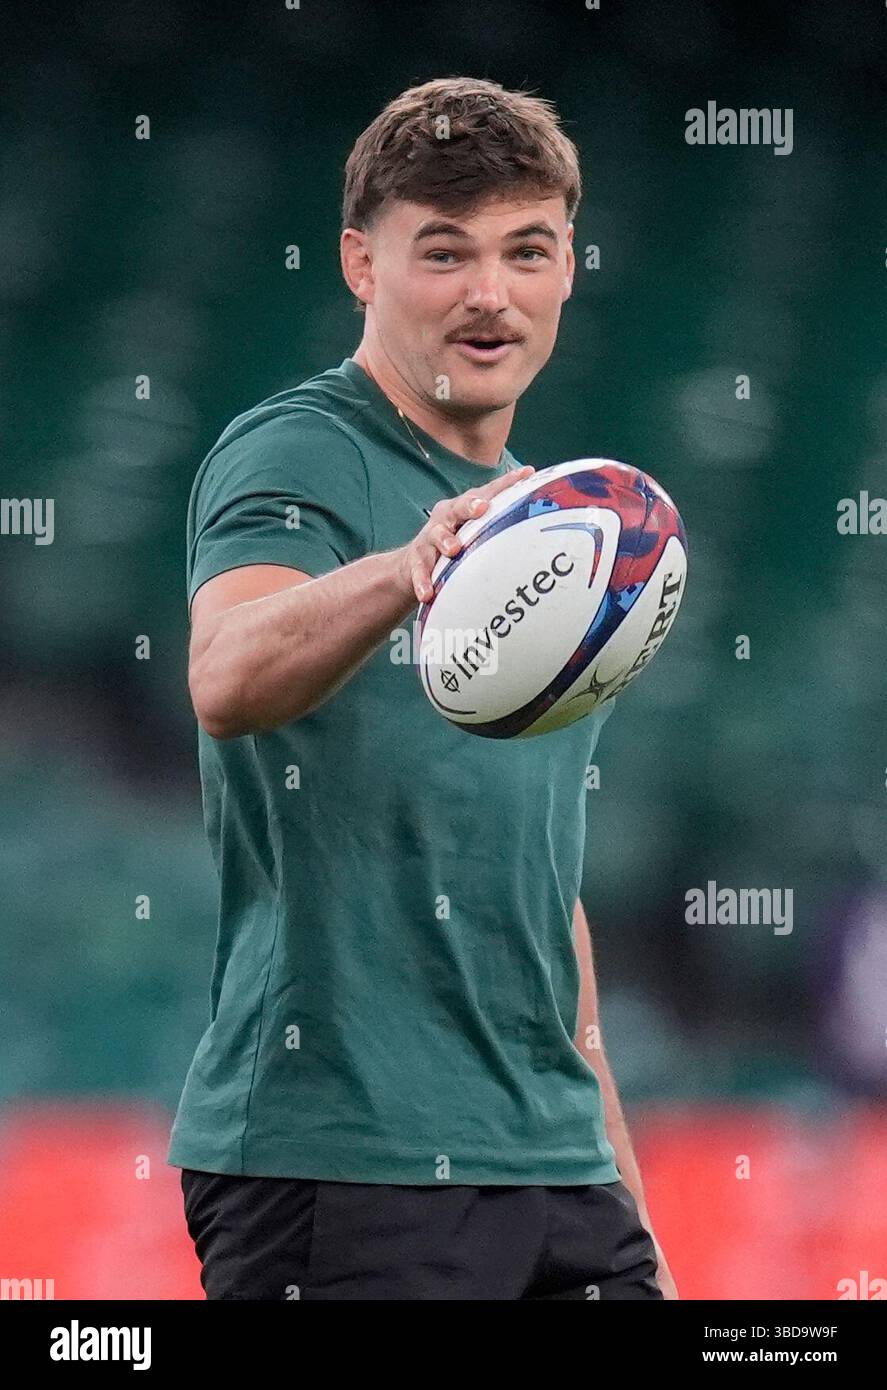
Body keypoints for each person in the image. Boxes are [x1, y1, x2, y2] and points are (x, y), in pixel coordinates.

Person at [170, 75, 677, 1301]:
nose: (488, 293)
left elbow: (537, 882)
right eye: (442, 251)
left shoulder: (554, 533)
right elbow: (225, 674)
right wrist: (405, 571)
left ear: (568, 267)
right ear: (359, 262)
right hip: (346, 1169)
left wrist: (616, 1178)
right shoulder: (302, 446)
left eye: (526, 249)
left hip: (556, 1171)